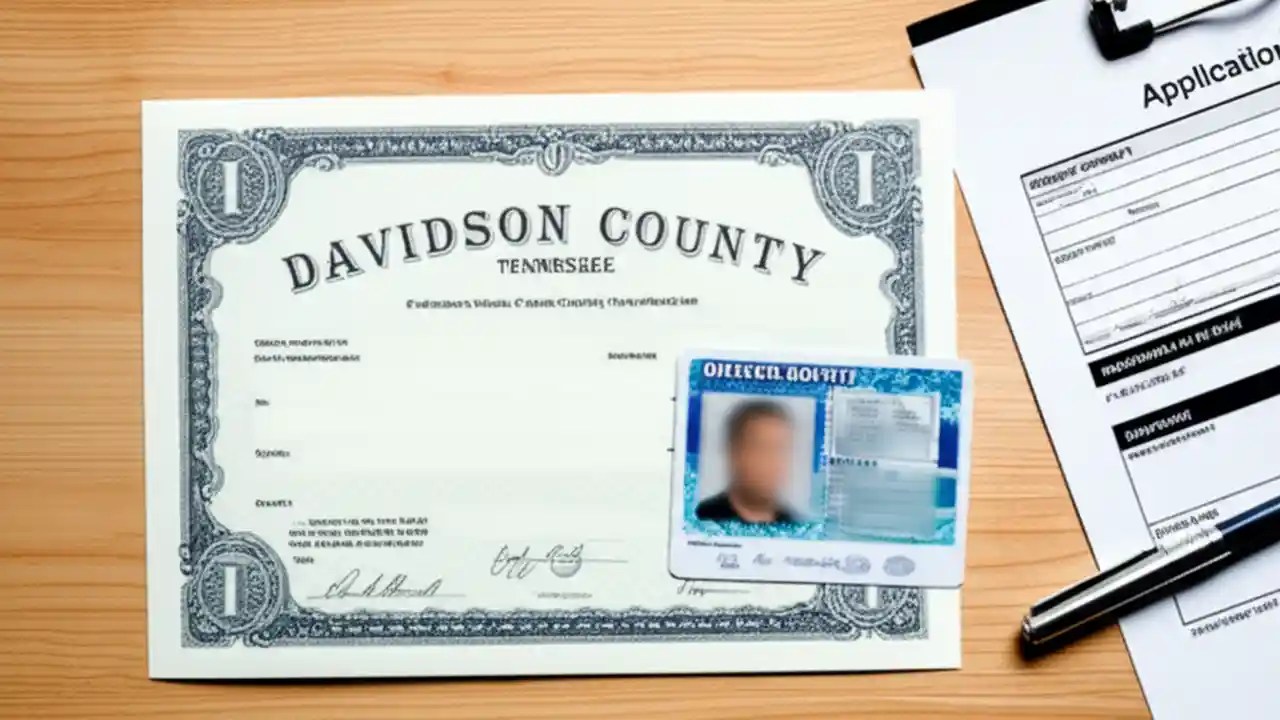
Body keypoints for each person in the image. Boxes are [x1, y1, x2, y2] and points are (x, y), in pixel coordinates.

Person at [696, 399, 798, 524]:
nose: (774, 462)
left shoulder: (795, 526)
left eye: (780, 449)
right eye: (762, 449)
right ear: (734, 453)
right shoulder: (701, 521)